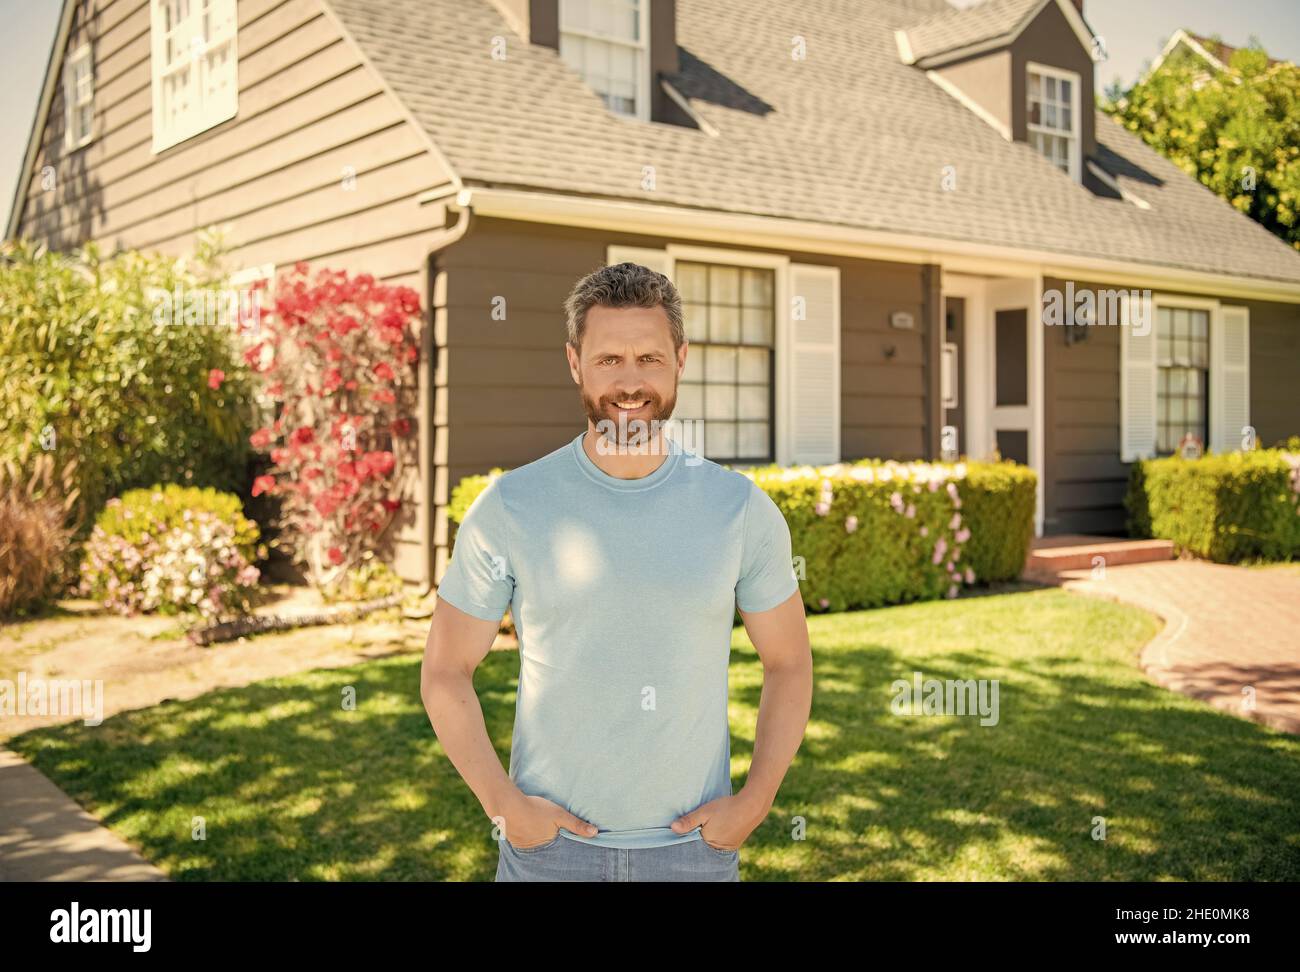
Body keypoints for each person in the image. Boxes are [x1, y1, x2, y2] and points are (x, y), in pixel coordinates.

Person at [421, 261, 813, 881]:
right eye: (608, 361)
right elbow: (445, 670)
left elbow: (789, 664)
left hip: (694, 857)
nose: (630, 382)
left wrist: (754, 802)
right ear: (574, 362)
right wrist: (505, 808)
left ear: (681, 358)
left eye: (649, 359)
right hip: (546, 857)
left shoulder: (739, 510)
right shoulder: (510, 507)